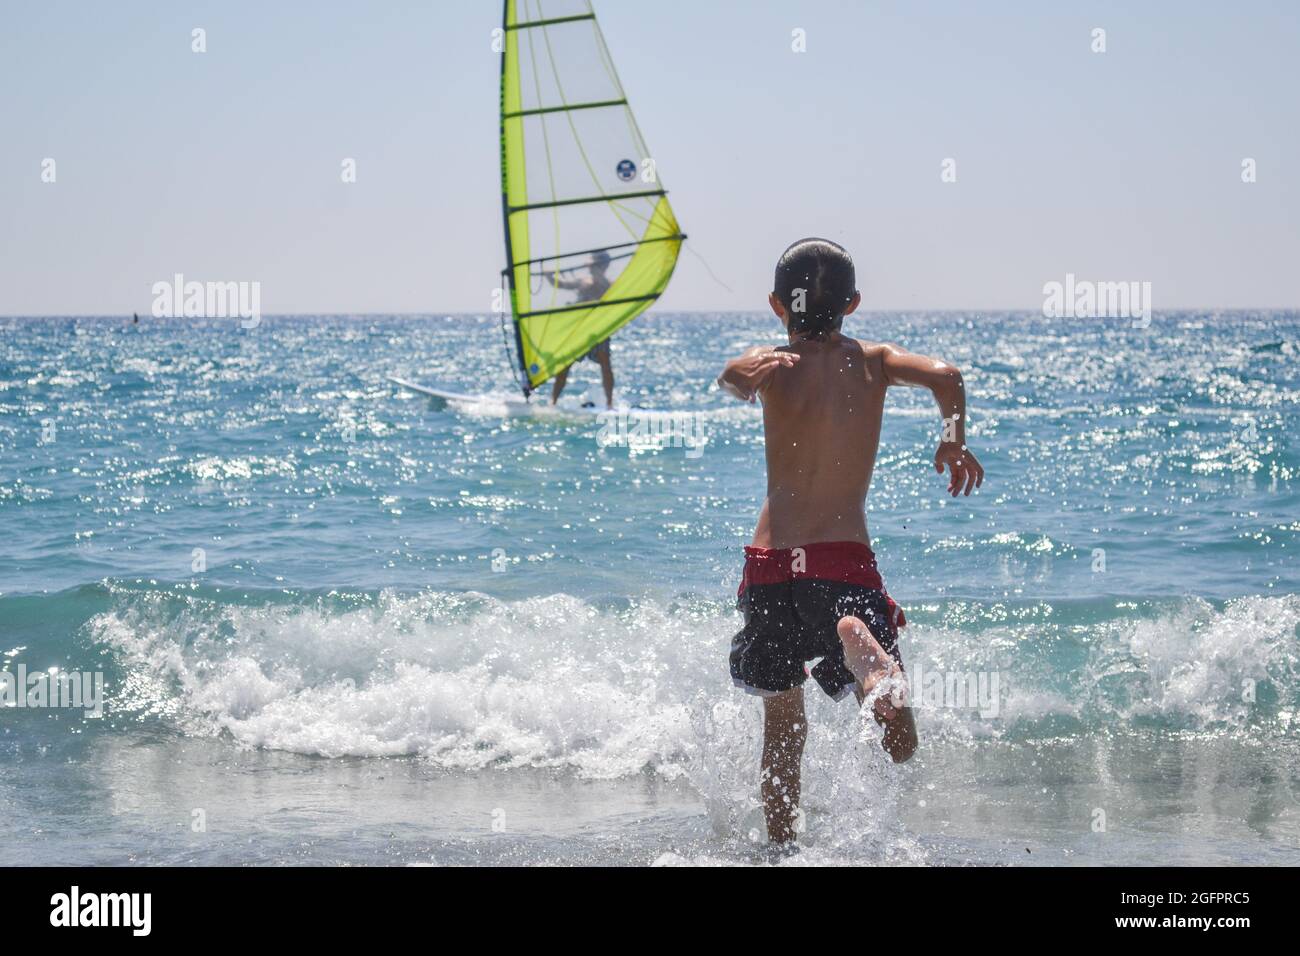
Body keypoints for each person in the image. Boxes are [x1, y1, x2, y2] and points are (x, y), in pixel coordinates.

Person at [716, 237, 985, 846]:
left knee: (782, 727)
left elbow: (732, 381)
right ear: (854, 303)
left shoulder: (773, 363)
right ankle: (862, 654)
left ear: (777, 305)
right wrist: (952, 438)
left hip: (770, 566)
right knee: (900, 745)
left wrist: (744, 372)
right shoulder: (874, 361)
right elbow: (947, 375)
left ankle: (783, 851)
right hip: (841, 564)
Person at [543, 251, 615, 408]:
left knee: (605, 362)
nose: (592, 269)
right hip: (578, 331)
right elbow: (560, 284)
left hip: (598, 331)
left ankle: (610, 402)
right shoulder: (583, 282)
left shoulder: (610, 285)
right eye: (591, 265)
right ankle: (553, 402)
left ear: (604, 266)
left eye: (596, 266)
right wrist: (549, 276)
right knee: (564, 365)